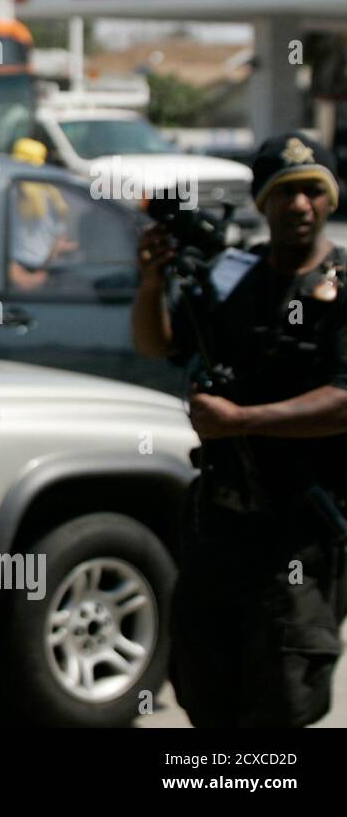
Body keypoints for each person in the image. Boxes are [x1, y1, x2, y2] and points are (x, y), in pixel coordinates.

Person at [132, 131, 347, 727]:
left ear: (329, 201)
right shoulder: (234, 278)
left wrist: (242, 421)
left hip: (298, 534)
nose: (299, 205)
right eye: (284, 193)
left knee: (282, 699)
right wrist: (152, 282)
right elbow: (159, 345)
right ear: (263, 203)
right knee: (206, 690)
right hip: (218, 528)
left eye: (311, 192)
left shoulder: (340, 288)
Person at [8, 137, 77, 292]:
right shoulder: (54, 196)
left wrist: (12, 271)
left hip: (9, 270)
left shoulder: (8, 192)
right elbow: (59, 240)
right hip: (42, 270)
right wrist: (45, 272)